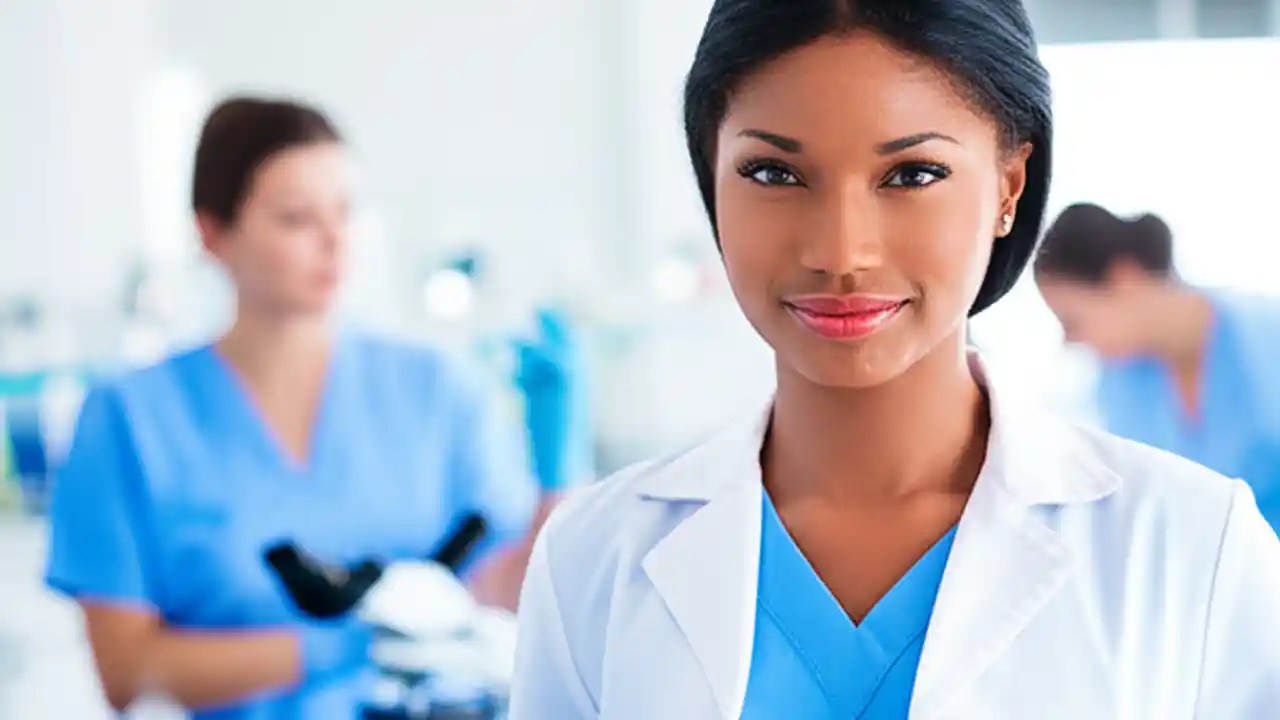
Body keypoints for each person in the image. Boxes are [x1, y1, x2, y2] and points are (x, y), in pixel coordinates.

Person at [508, 1, 1280, 718]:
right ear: (711, 178)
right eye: (774, 174)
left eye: (912, 175)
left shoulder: (1194, 547)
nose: (841, 252)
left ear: (1009, 185)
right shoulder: (591, 559)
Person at [44, 97, 585, 718]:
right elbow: (126, 671)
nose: (334, 241)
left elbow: (513, 598)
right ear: (212, 233)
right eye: (298, 219)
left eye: (346, 213)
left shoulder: (436, 387)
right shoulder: (128, 420)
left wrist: (556, 472)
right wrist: (340, 647)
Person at [1035, 203, 1280, 534]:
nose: (1070, 342)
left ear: (1125, 278)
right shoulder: (1118, 384)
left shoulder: (1266, 335)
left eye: (1072, 321)